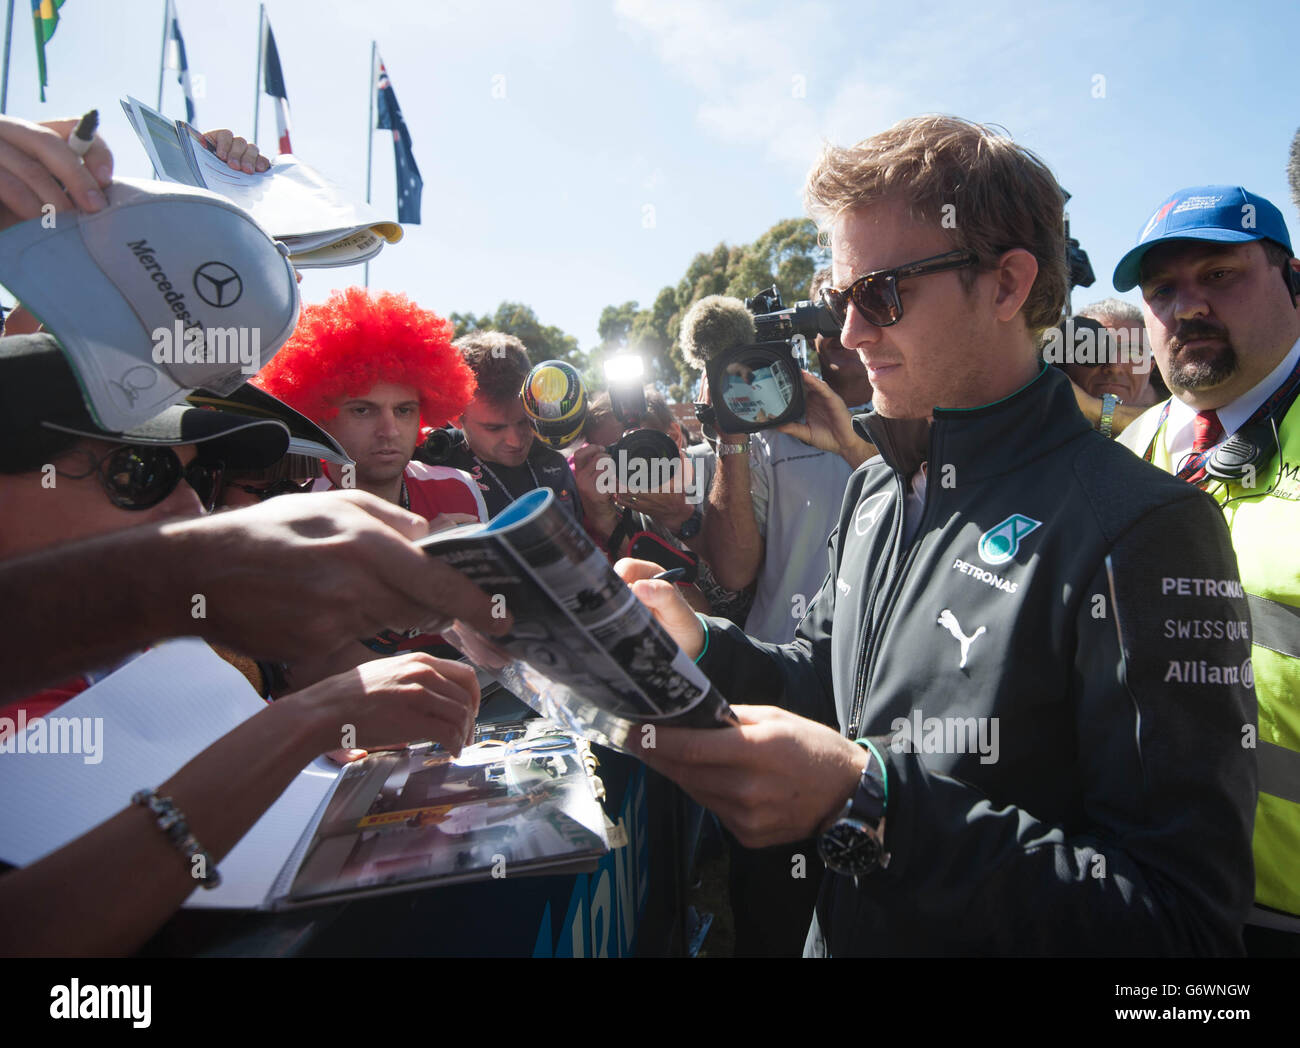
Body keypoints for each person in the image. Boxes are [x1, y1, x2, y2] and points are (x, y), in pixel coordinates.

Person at [616, 115, 1256, 956]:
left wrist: (875, 803)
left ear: (1006, 285)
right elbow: (829, 686)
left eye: (880, 294)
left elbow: (1182, 932)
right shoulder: (876, 487)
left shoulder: (1143, 529)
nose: (847, 334)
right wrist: (697, 640)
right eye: (838, 300)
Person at [1113, 184, 1300, 955]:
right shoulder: (1133, 449)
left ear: (1292, 282)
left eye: (1219, 276)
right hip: (1149, 891)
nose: (1186, 307)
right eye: (1163, 290)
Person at [427, 331, 583, 521]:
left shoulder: (553, 460)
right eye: (494, 428)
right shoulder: (427, 465)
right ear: (454, 416)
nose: (516, 441)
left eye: (526, 421)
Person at [1077, 296, 1167, 405]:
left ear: (1149, 368)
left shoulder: (1180, 414)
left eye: (1132, 353)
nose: (1115, 367)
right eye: (1095, 349)